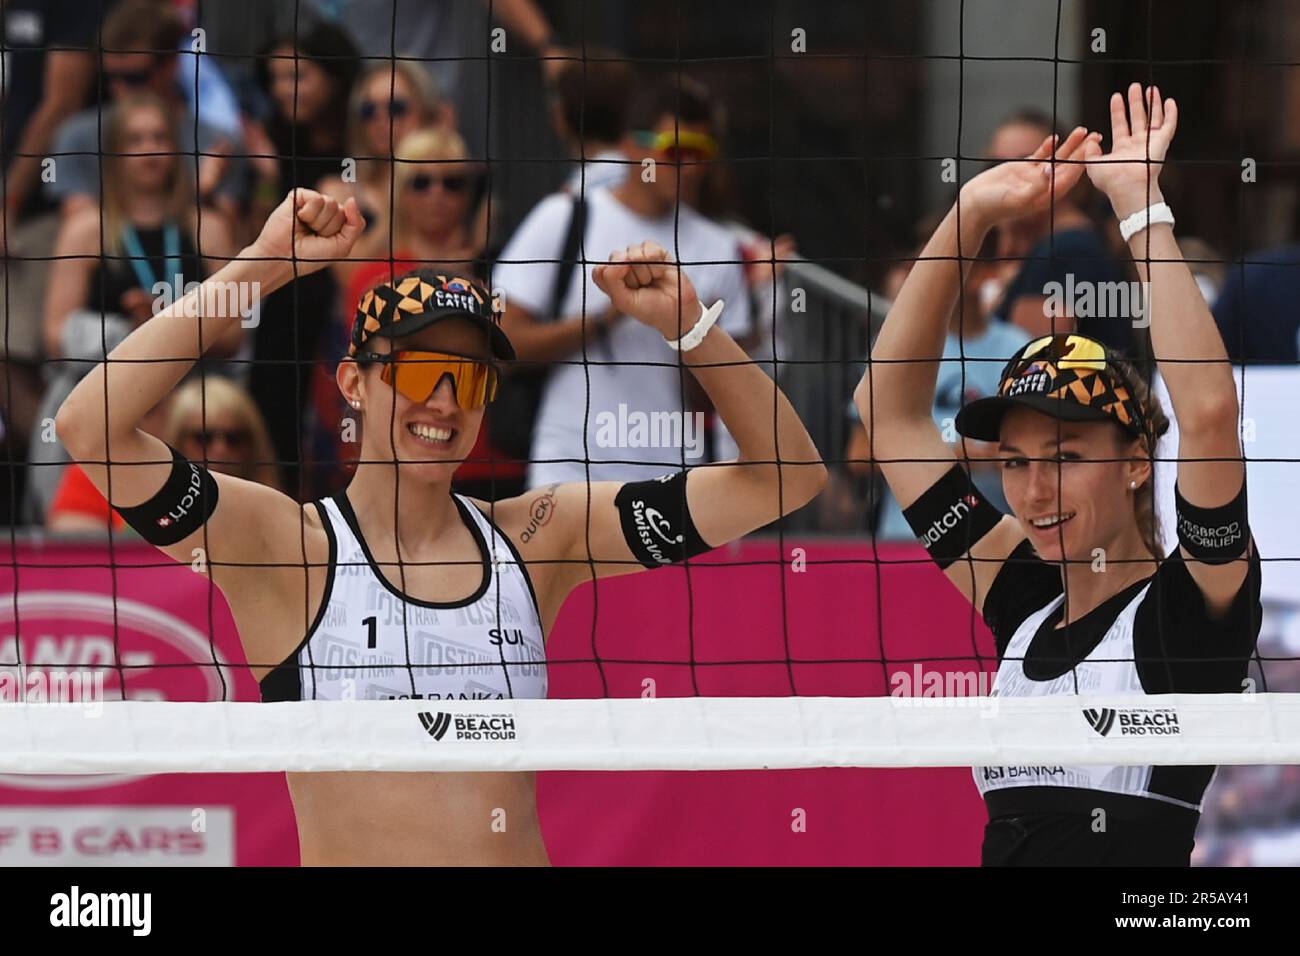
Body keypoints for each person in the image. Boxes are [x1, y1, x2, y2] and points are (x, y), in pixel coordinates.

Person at [55, 188, 827, 866]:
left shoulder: (540, 537)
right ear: (355, 382)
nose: (447, 402)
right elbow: (91, 426)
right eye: (422, 373)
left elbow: (787, 476)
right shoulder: (288, 547)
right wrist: (259, 268)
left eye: (475, 379)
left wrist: (692, 330)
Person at [855, 87, 1261, 866]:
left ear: (1138, 465)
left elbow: (1208, 412)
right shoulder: (1023, 599)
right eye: (1015, 463)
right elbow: (889, 414)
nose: (1035, 492)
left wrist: (1140, 205)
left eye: (1067, 460)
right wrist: (969, 216)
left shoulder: (1188, 613)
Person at [496, 79, 753, 487]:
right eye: (676, 149)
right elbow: (504, 343)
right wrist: (608, 317)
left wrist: (693, 327)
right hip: (569, 462)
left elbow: (720, 398)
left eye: (701, 154)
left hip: (672, 470)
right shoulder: (566, 217)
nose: (689, 167)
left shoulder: (719, 246)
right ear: (632, 147)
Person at [26, 94, 236, 524]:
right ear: (116, 154)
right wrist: (128, 331)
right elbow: (54, 332)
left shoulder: (208, 228)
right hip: (103, 394)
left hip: (191, 397)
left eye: (159, 137)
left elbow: (236, 331)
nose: (149, 149)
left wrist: (170, 324)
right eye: (136, 139)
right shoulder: (88, 229)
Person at [847, 229, 1029, 537]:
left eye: (940, 264)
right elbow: (858, 454)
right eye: (923, 266)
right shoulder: (898, 345)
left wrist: (996, 456)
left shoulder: (1019, 349)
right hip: (907, 541)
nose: (927, 278)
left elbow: (1037, 453)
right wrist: (957, 457)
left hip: (998, 544)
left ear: (983, 275)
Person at [45, 0, 248, 226]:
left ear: (172, 65)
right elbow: (82, 232)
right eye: (111, 78)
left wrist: (206, 197)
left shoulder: (217, 141)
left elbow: (226, 239)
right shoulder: (77, 136)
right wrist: (193, 193)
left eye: (135, 78)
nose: (120, 89)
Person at [982, 109, 1134, 355]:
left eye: (1030, 161)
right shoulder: (1061, 244)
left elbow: (1031, 370)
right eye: (996, 164)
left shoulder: (1067, 250)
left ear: (1067, 171)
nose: (1009, 175)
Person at [48, 376, 281, 533]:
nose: (220, 449)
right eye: (203, 437)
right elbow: (73, 550)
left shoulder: (272, 505)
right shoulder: (97, 474)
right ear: (176, 439)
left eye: (234, 438)